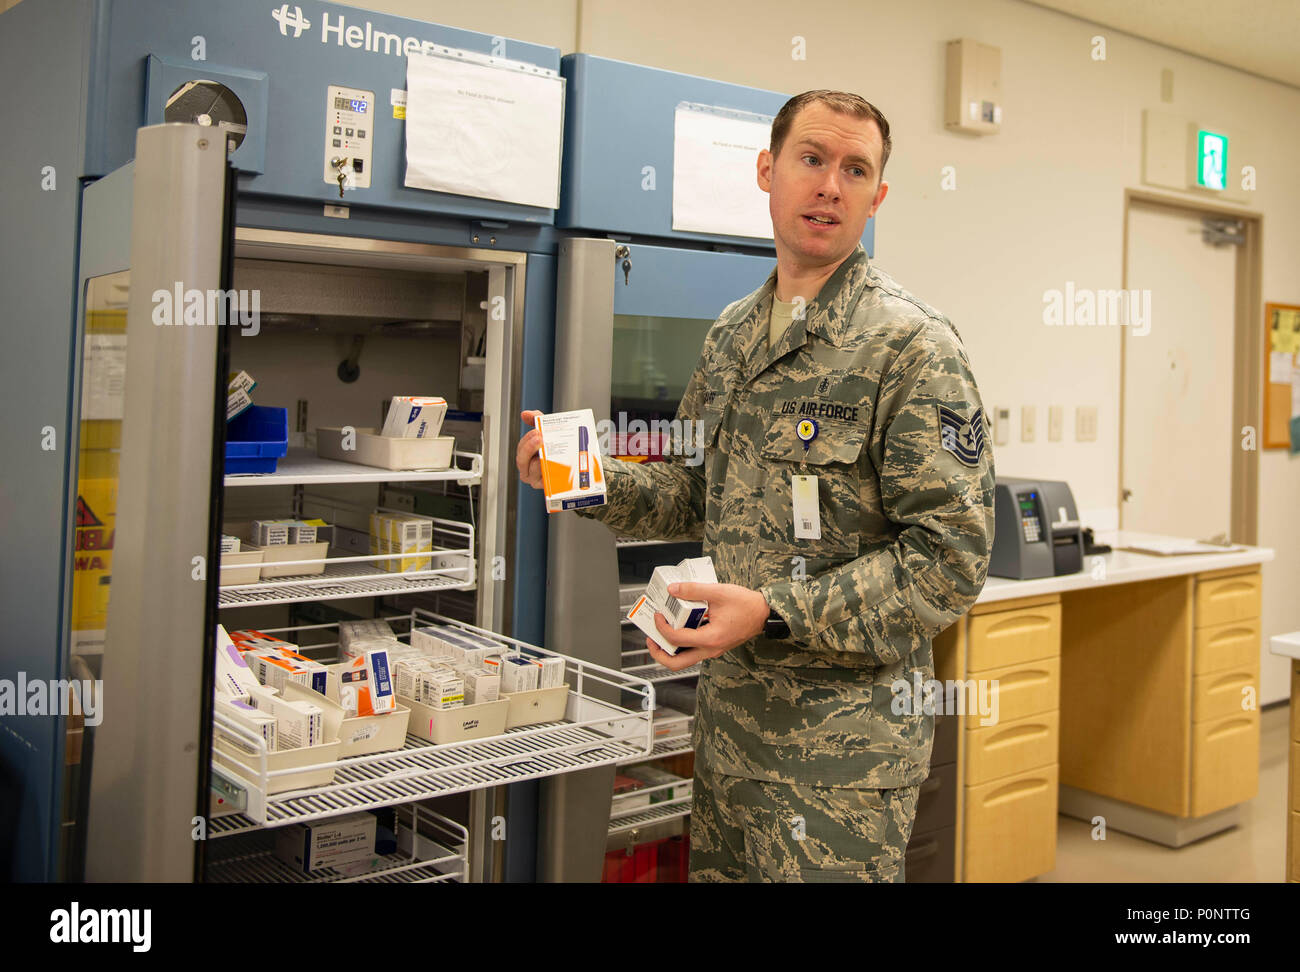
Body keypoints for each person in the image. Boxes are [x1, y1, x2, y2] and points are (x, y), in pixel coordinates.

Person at [517, 90, 995, 882]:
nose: (829, 186)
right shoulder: (735, 334)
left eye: (855, 170)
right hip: (732, 736)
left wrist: (773, 612)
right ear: (769, 172)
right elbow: (695, 490)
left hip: (844, 766)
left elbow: (951, 560)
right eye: (812, 159)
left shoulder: (913, 347)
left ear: (877, 197)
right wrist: (592, 483)